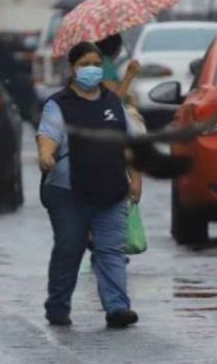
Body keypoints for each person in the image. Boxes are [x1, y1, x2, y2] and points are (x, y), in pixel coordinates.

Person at [37, 41, 140, 329]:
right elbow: (48, 135)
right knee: (70, 249)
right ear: (72, 69)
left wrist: (136, 178)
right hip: (68, 192)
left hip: (111, 190)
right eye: (85, 65)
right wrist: (46, 155)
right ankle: (58, 306)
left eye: (96, 64)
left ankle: (118, 308)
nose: (92, 70)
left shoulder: (113, 104)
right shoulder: (59, 104)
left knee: (111, 251)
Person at [95, 33, 140, 100]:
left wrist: (128, 98)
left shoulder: (101, 62)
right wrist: (129, 75)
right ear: (116, 47)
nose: (120, 50)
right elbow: (114, 99)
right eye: (120, 46)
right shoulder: (105, 66)